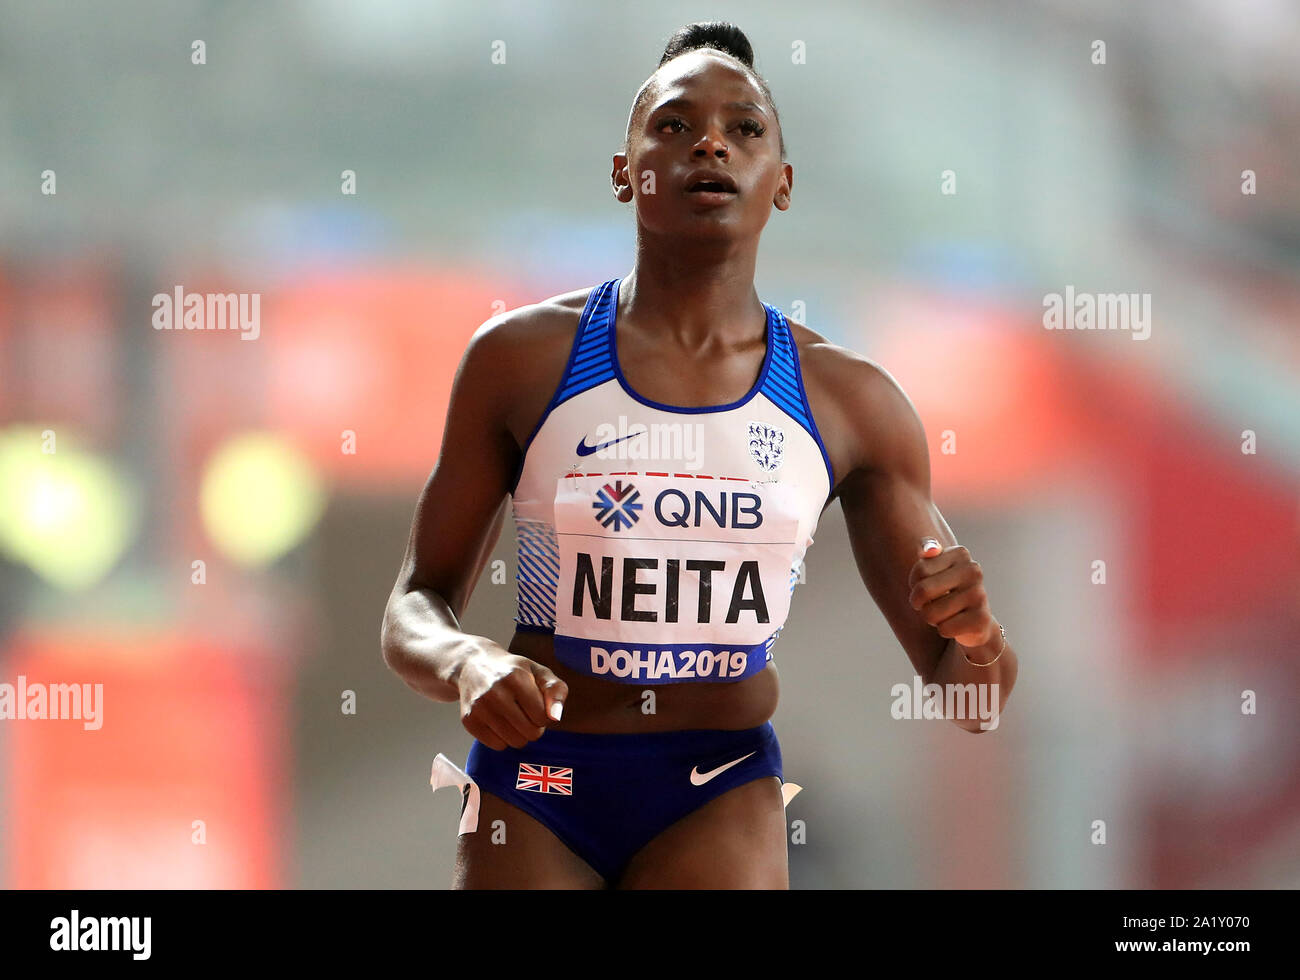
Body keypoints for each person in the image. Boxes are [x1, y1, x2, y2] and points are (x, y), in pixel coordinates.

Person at [381, 21, 1019, 889]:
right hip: (539, 775)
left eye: (745, 128)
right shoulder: (520, 359)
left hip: (716, 784)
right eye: (675, 125)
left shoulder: (852, 403)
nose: (711, 141)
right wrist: (467, 662)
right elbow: (414, 607)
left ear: (781, 183)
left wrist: (976, 634)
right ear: (623, 171)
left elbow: (972, 697)